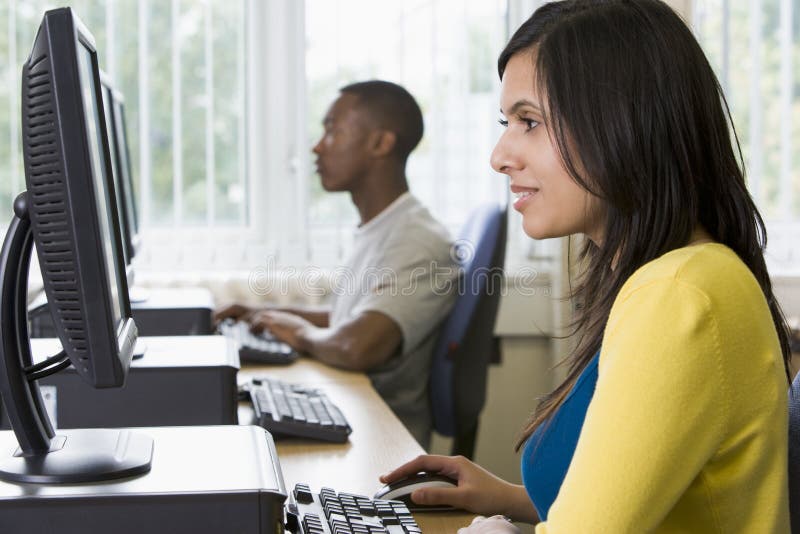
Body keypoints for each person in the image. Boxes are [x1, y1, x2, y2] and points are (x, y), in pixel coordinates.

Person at [381, 1, 792, 532]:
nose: (500, 155)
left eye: (530, 121)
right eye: (507, 122)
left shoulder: (679, 295)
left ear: (623, 121)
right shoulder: (672, 277)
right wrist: (509, 499)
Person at [216, 80, 457, 449]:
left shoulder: (416, 241)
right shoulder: (382, 227)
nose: (317, 146)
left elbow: (356, 345)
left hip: (380, 441)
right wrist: (260, 313)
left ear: (380, 143)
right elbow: (351, 318)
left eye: (332, 130)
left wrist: (299, 333)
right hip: (353, 415)